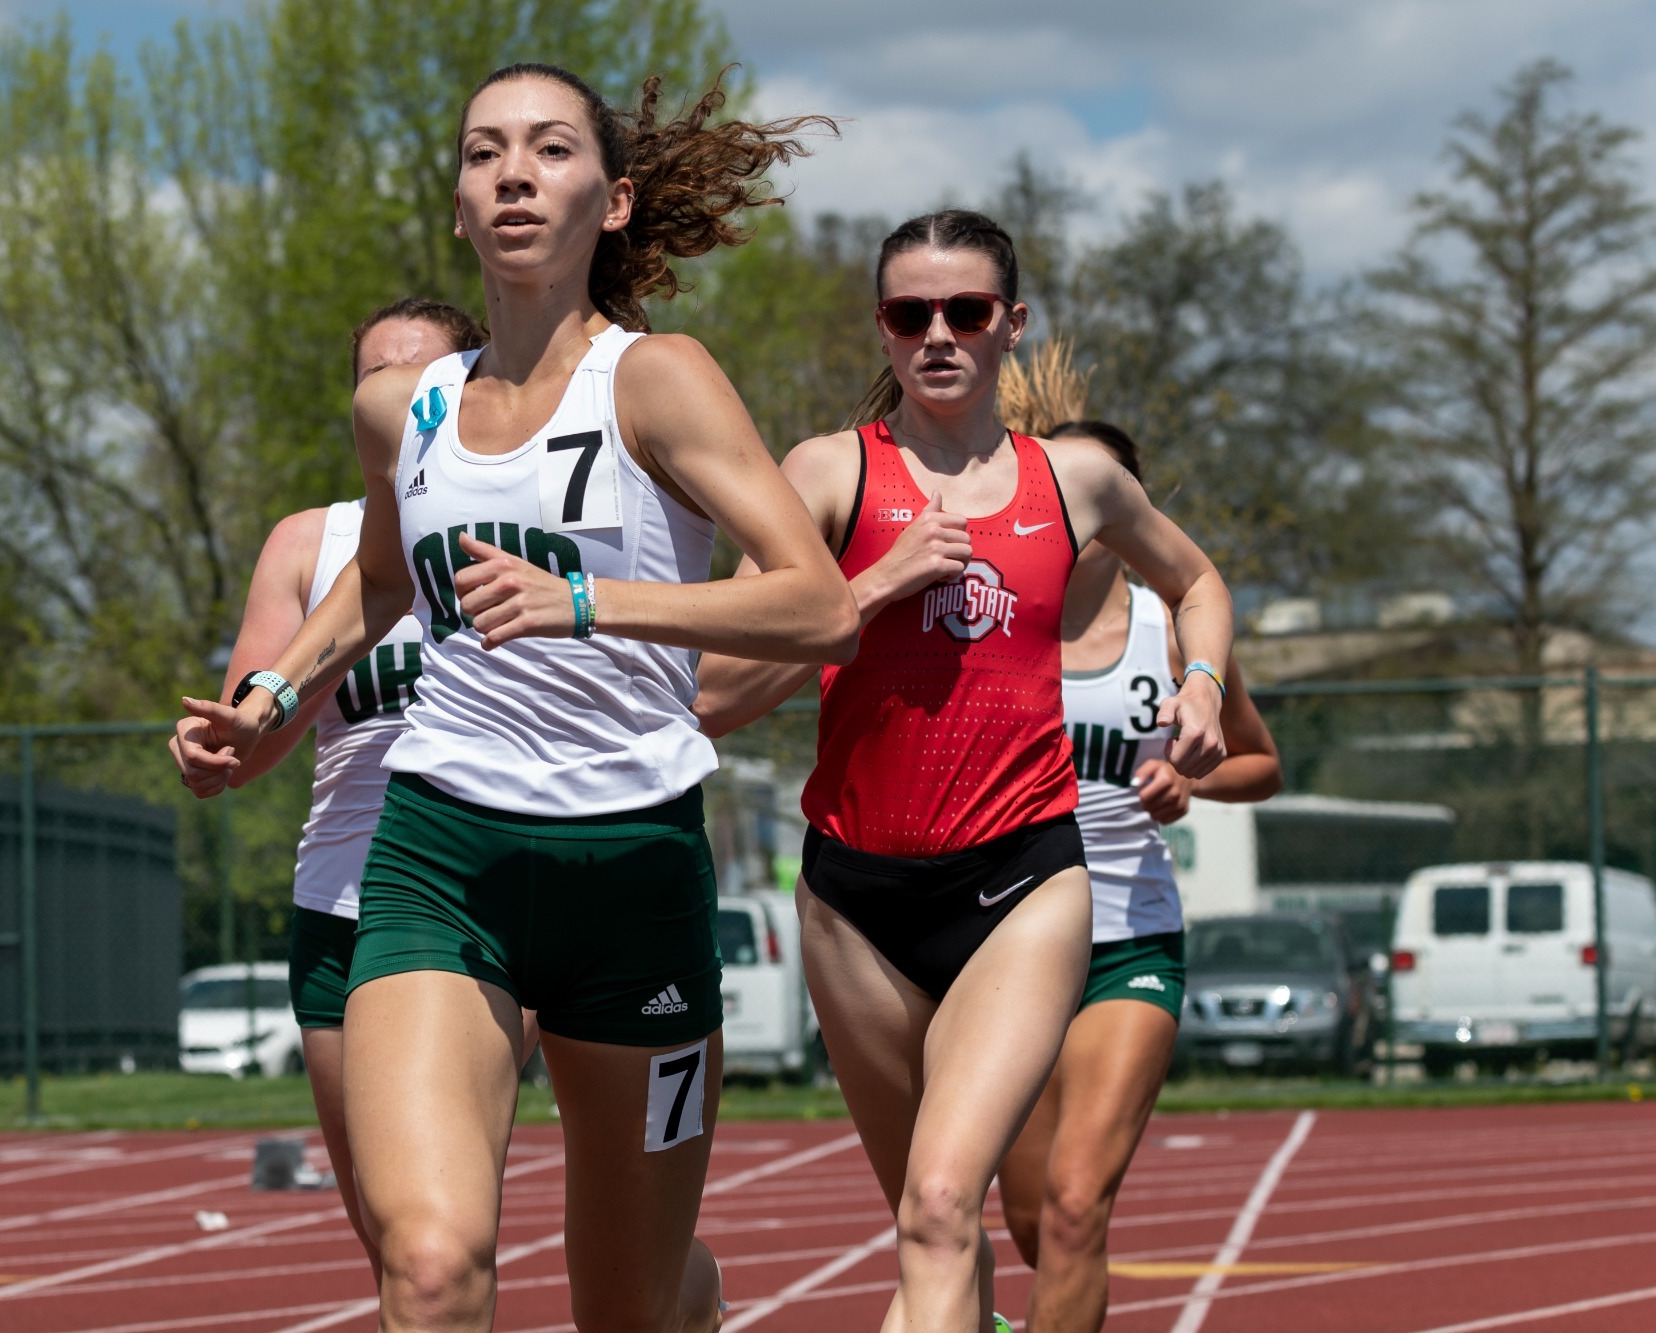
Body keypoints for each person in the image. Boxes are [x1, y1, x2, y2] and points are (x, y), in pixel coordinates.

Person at [171, 63, 856, 1333]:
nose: (513, 175)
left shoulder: (657, 379)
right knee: (428, 1268)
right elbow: (379, 581)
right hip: (443, 854)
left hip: (636, 870)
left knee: (631, 1306)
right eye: (485, 154)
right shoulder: (410, 409)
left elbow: (817, 606)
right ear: (457, 206)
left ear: (611, 199)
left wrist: (587, 604)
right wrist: (264, 701)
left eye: (547, 150)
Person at [693, 209, 1235, 1333]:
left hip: (1022, 883)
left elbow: (1197, 583)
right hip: (854, 900)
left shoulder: (1074, 479)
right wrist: (870, 588)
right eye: (908, 313)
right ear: (881, 330)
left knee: (942, 1203)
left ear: (1010, 325)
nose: (936, 335)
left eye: (965, 311)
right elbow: (711, 694)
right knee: (924, 1219)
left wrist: (1200, 684)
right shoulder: (829, 473)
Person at [192, 297, 545, 1287]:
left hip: (476, 890)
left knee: (435, 1221)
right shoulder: (309, 544)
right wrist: (216, 745)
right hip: (340, 901)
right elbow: (248, 735)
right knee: (390, 1242)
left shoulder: (514, 532)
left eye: (418, 377)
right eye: (373, 382)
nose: (393, 399)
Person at [994, 418, 1282, 1333]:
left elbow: (1260, 763)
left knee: (1080, 1204)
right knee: (1036, 1220)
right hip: (1011, 936)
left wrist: (1187, 778)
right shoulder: (991, 618)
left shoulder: (1172, 629)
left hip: (1131, 935)